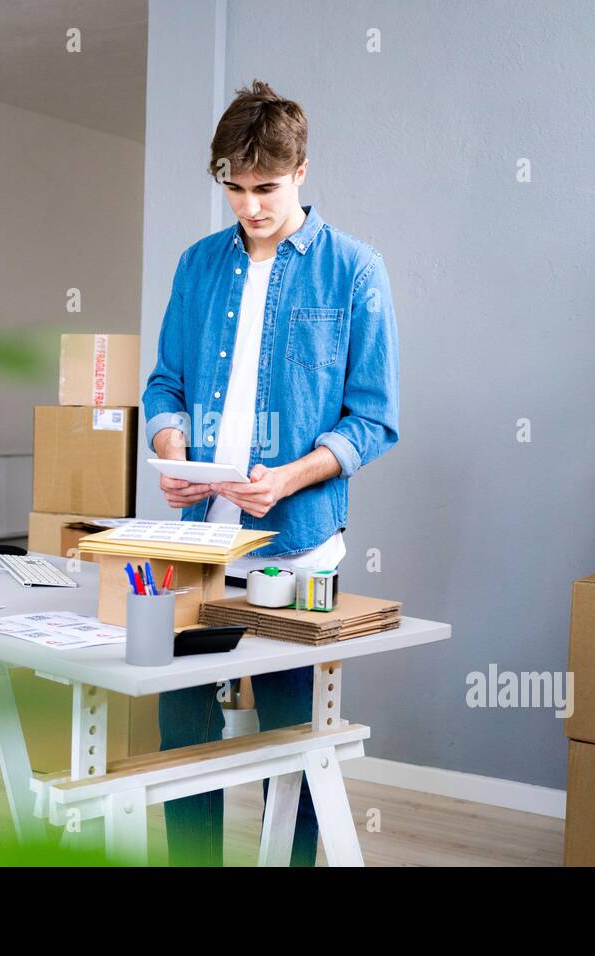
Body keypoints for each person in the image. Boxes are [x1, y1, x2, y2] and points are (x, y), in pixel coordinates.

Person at [141, 80, 401, 866]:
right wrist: (174, 454)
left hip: (298, 547)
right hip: (198, 544)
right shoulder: (197, 267)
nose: (250, 206)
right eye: (235, 188)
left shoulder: (355, 270)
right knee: (184, 729)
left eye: (267, 188)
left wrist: (287, 479)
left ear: (302, 172)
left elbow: (374, 418)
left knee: (295, 743)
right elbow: (165, 385)